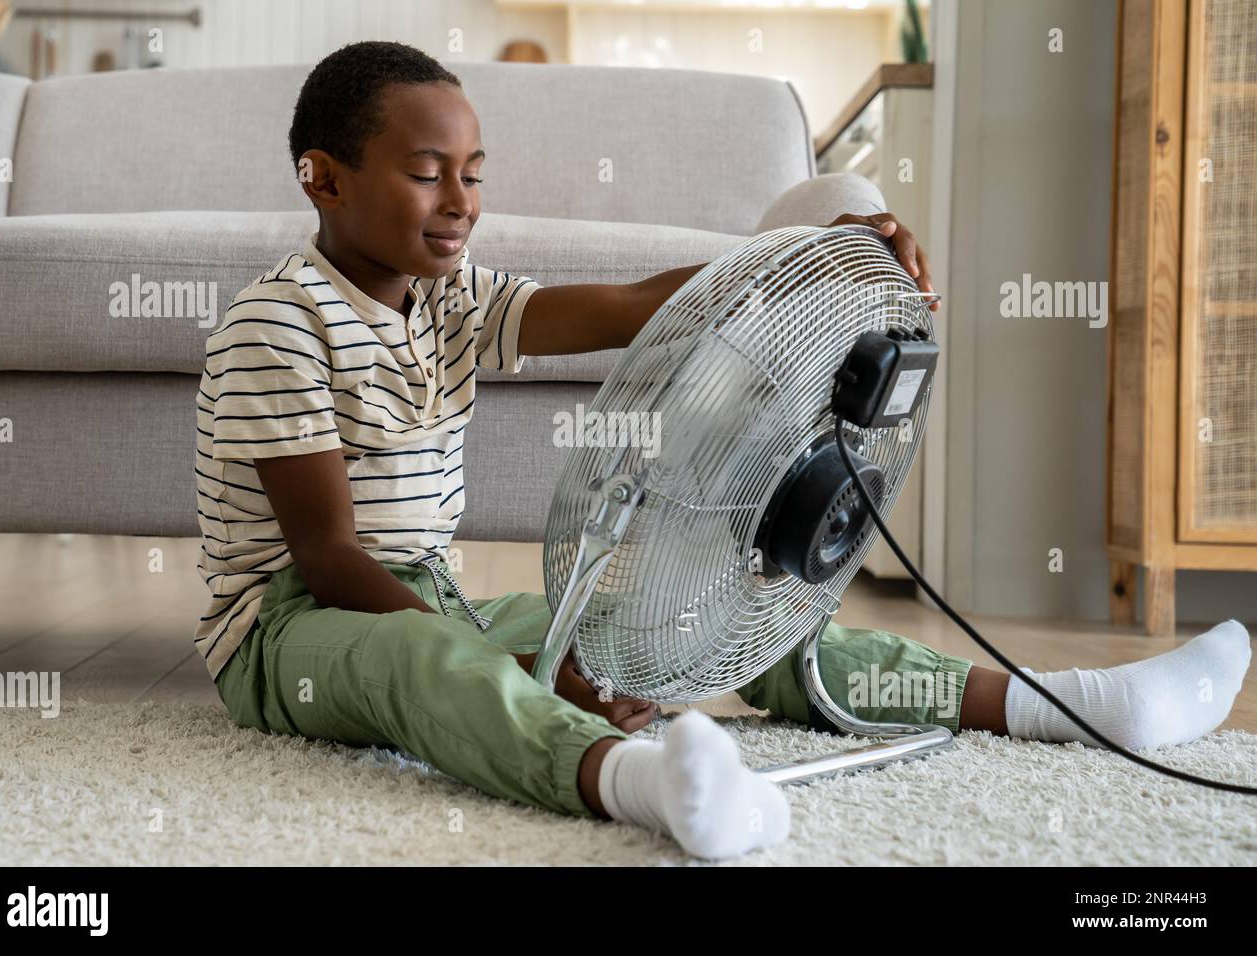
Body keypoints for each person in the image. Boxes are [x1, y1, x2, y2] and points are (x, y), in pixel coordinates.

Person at [195, 41, 1252, 860]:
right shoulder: (276, 323)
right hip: (290, 622)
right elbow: (329, 561)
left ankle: (1053, 702)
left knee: (711, 614)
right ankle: (630, 779)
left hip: (424, 583)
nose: (462, 202)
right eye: (428, 174)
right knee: (430, 660)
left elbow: (632, 304)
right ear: (323, 179)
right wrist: (527, 660)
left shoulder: (452, 301)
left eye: (472, 172)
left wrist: (819, 249)